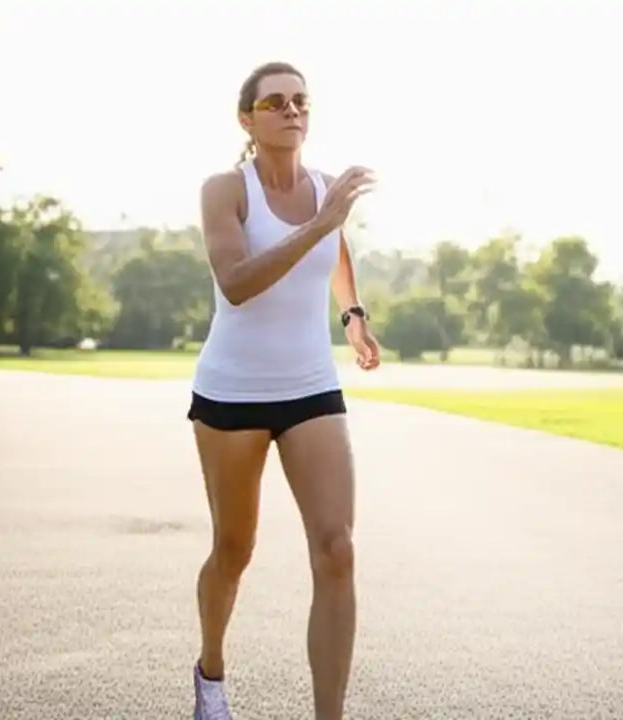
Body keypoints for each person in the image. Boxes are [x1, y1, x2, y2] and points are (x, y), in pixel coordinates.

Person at [186, 60, 381, 720]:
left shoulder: (323, 192)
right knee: (234, 549)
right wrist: (323, 223)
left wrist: (352, 316)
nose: (292, 111)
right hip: (231, 392)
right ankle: (211, 674)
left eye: (301, 100)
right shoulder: (225, 190)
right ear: (248, 119)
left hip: (311, 388)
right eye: (275, 102)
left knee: (338, 550)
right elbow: (237, 281)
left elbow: (337, 254)